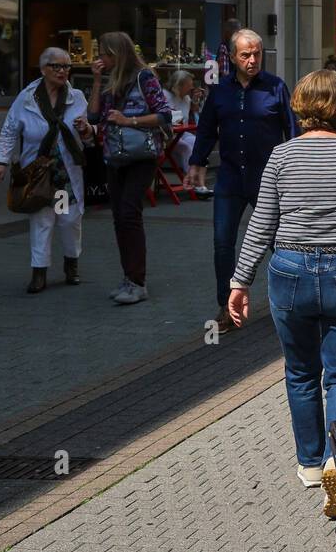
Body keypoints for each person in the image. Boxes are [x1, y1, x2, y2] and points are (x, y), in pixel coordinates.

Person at [227, 70, 336, 517]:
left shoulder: (282, 157)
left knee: (300, 372)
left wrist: (239, 281)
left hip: (289, 269)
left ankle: (310, 463)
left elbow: (261, 224)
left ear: (302, 106)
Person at [187, 28, 296, 330]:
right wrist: (196, 163)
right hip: (230, 179)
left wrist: (296, 169)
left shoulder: (276, 88)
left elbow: (292, 129)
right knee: (223, 244)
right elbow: (207, 129)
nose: (252, 60)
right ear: (233, 57)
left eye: (257, 53)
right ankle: (226, 306)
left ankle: (294, 301)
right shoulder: (220, 91)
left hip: (268, 181)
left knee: (280, 243)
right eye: (245, 55)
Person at [0, 47, 94, 293]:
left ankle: (71, 264)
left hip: (64, 174)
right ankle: (39, 273)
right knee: (42, 221)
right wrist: (1, 162)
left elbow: (89, 137)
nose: (63, 71)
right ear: (43, 69)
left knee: (69, 221)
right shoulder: (27, 98)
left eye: (67, 66)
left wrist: (85, 130)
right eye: (57, 66)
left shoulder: (76, 96)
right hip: (39, 173)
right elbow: (9, 130)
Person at [87, 31, 173, 305]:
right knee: (119, 217)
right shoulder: (111, 79)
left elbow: (164, 114)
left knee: (129, 213)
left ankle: (137, 282)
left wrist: (128, 121)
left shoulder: (143, 77)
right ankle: (128, 278)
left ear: (116, 53)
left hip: (141, 155)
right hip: (114, 155)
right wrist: (98, 80)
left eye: (103, 53)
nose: (100, 58)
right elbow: (93, 115)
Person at [165, 69, 203, 178]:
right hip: (167, 136)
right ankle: (191, 181)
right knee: (186, 148)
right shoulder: (165, 96)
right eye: (189, 85)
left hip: (182, 134)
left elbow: (193, 110)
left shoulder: (186, 98)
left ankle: (198, 180)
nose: (191, 88)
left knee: (199, 145)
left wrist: (195, 99)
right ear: (179, 85)